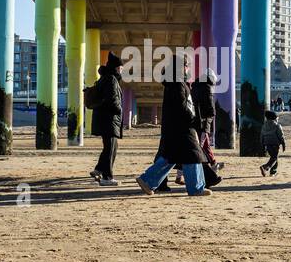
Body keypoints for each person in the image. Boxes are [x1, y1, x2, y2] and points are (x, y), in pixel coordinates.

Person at [137, 62, 209, 196]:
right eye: (186, 65)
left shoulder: (174, 82)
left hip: (175, 127)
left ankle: (147, 180)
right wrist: (193, 119)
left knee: (171, 156)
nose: (188, 68)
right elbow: (182, 106)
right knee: (192, 155)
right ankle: (196, 188)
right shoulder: (177, 83)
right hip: (182, 127)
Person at [87, 52, 125, 185]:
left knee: (110, 147)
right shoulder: (111, 79)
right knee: (110, 148)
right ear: (116, 67)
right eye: (121, 67)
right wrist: (120, 109)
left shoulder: (104, 78)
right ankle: (107, 178)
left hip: (104, 119)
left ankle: (99, 169)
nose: (122, 70)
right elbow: (112, 100)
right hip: (109, 119)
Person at [260, 109, 286, 176]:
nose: (278, 119)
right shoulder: (277, 126)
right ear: (274, 118)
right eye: (277, 118)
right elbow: (281, 135)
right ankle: (265, 167)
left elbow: (262, 135)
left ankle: (273, 172)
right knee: (274, 158)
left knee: (274, 157)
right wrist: (283, 144)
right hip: (275, 144)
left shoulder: (264, 126)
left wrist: (262, 144)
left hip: (267, 144)